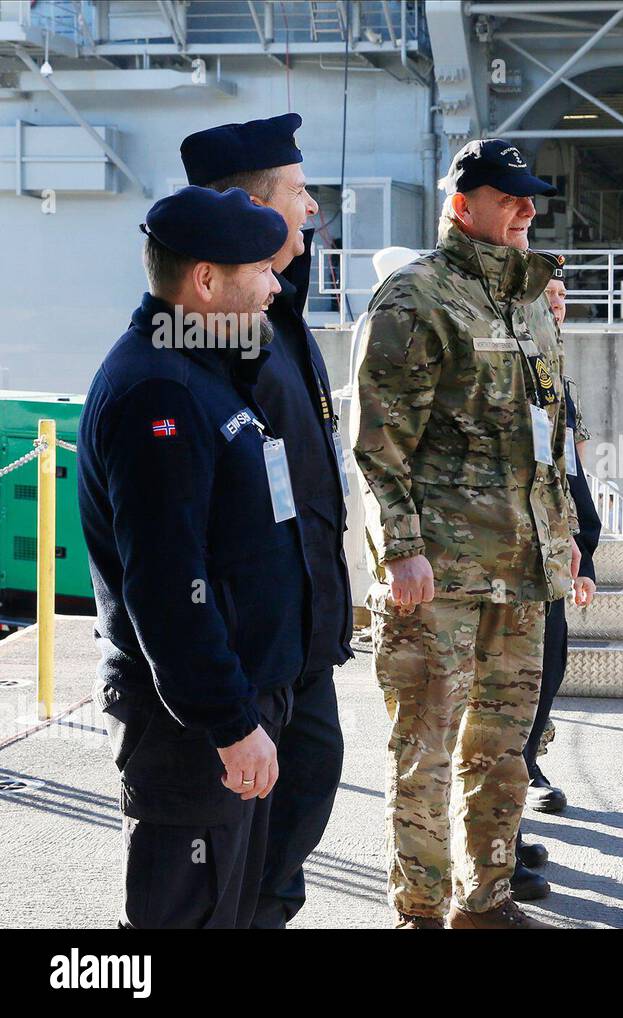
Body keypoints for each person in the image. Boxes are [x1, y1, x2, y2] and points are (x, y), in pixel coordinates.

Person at [352, 138, 580, 930]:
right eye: (507, 195)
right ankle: (419, 912)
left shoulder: (532, 299)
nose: (526, 207)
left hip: (522, 572)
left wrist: (566, 535)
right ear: (462, 205)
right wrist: (404, 549)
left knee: (502, 753)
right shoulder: (415, 297)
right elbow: (381, 439)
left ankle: (486, 902)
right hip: (440, 577)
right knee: (424, 754)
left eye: (531, 197)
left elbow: (551, 432)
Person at [77, 186, 311, 928]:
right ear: (206, 281)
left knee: (228, 911)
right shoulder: (158, 392)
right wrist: (230, 722)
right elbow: (169, 585)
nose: (276, 285)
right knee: (184, 917)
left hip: (234, 699)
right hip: (192, 726)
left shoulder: (205, 369)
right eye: (260, 270)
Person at [180, 112, 352, 930]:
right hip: (247, 644)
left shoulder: (274, 308)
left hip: (300, 627)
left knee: (309, 787)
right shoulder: (214, 332)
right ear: (246, 211)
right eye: (297, 193)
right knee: (225, 863)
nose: (312, 207)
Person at [512, 265, 602, 901]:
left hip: (555, 555)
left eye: (563, 297)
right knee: (508, 704)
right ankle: (497, 845)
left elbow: (571, 472)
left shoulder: (554, 376)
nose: (560, 306)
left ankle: (511, 820)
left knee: (546, 677)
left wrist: (584, 550)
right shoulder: (514, 371)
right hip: (516, 559)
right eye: (549, 297)